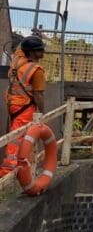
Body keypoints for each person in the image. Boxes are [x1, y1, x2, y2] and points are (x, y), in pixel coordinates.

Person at [2, 36, 47, 176]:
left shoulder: (16, 62)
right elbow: (38, 94)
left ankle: (20, 167)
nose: (43, 52)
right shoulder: (36, 70)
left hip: (13, 104)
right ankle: (7, 172)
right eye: (40, 50)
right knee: (17, 139)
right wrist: (42, 113)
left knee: (18, 135)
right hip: (25, 107)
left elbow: (19, 50)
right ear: (32, 52)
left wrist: (32, 38)